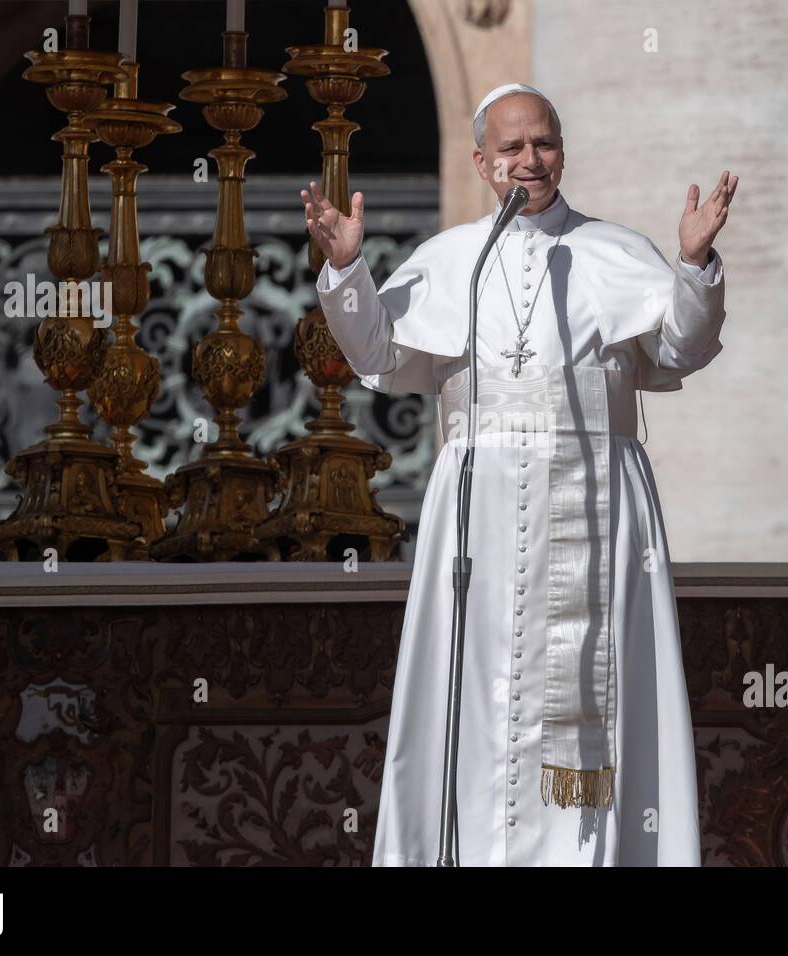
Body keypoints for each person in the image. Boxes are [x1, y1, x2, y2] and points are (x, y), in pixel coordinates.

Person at [301, 82, 737, 866]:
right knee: (476, 691)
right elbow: (375, 354)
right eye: (512, 148)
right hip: (482, 513)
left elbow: (680, 350)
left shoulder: (616, 250)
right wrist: (346, 270)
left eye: (544, 143)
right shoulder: (449, 262)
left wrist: (695, 263)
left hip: (599, 506)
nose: (530, 160)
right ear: (481, 162)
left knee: (600, 692)